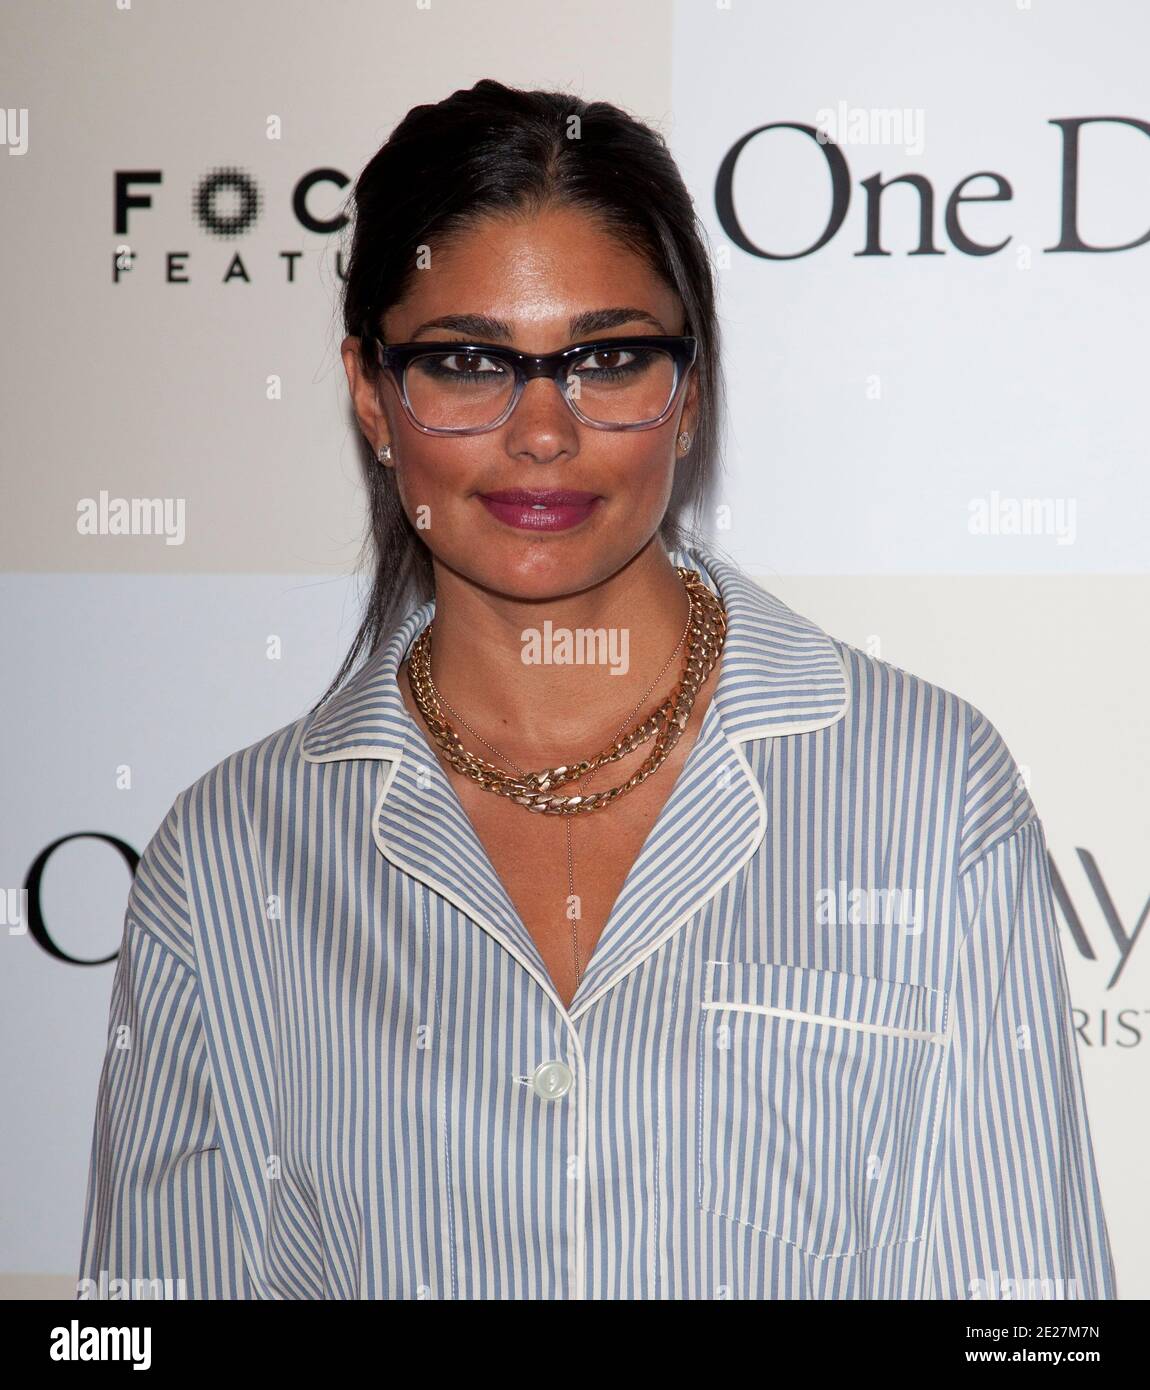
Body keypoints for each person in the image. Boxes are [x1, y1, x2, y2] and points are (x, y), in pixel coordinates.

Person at [77, 79, 1116, 1300]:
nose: (542, 433)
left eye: (607, 357)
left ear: (688, 390)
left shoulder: (926, 790)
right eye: (468, 361)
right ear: (370, 391)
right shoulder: (228, 863)